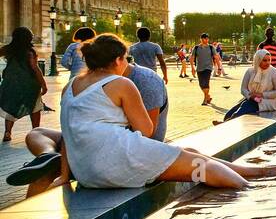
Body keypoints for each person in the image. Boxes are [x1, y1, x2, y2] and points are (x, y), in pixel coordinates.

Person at [58, 34, 276, 191]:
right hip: (118, 163)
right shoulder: (120, 84)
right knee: (204, 168)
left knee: (190, 152)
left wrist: (64, 175)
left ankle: (261, 171)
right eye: (125, 59)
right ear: (118, 59)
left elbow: (68, 135)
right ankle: (251, 191)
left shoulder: (70, 87)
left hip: (87, 171)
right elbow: (146, 129)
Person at [7, 58, 169, 197]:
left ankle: (54, 163)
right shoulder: (99, 82)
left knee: (42, 178)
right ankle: (48, 156)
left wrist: (76, 148)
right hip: (96, 141)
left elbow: (147, 133)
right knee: (37, 133)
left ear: (117, 61)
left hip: (121, 148)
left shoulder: (144, 81)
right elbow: (74, 125)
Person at [1, 27, 47, 142]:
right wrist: (43, 84)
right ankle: (36, 131)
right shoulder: (29, 52)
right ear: (28, 38)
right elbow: (35, 68)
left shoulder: (8, 49)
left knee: (11, 107)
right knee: (35, 107)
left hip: (11, 83)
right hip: (29, 84)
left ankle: (7, 132)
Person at [192, 33, 217, 106]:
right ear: (201, 39)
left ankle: (205, 100)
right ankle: (208, 96)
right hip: (199, 68)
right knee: (201, 84)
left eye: (207, 38)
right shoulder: (196, 48)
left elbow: (216, 57)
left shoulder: (211, 47)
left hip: (208, 67)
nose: (206, 40)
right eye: (204, 38)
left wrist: (219, 67)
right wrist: (192, 68)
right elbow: (192, 58)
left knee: (206, 83)